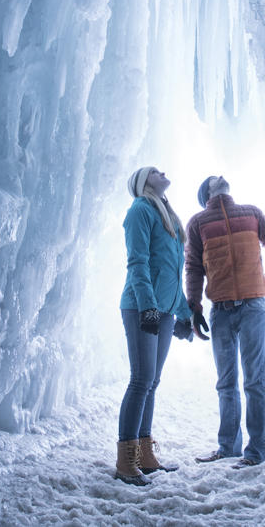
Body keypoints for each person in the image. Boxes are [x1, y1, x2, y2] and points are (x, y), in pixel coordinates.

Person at [185, 175, 265, 468]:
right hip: (220, 310)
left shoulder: (251, 212)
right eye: (212, 179)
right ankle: (228, 447)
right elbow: (194, 268)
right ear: (206, 192)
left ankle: (256, 452)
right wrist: (194, 307)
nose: (220, 177)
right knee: (226, 382)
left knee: (255, 380)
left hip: (253, 305)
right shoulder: (198, 223)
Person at [116, 166, 194, 486]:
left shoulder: (169, 217)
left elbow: (172, 274)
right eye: (153, 171)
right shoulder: (139, 210)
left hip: (163, 311)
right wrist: (148, 306)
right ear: (142, 182)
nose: (162, 171)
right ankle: (126, 461)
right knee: (141, 379)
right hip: (140, 306)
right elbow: (138, 262)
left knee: (153, 380)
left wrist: (184, 313)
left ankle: (145, 455)